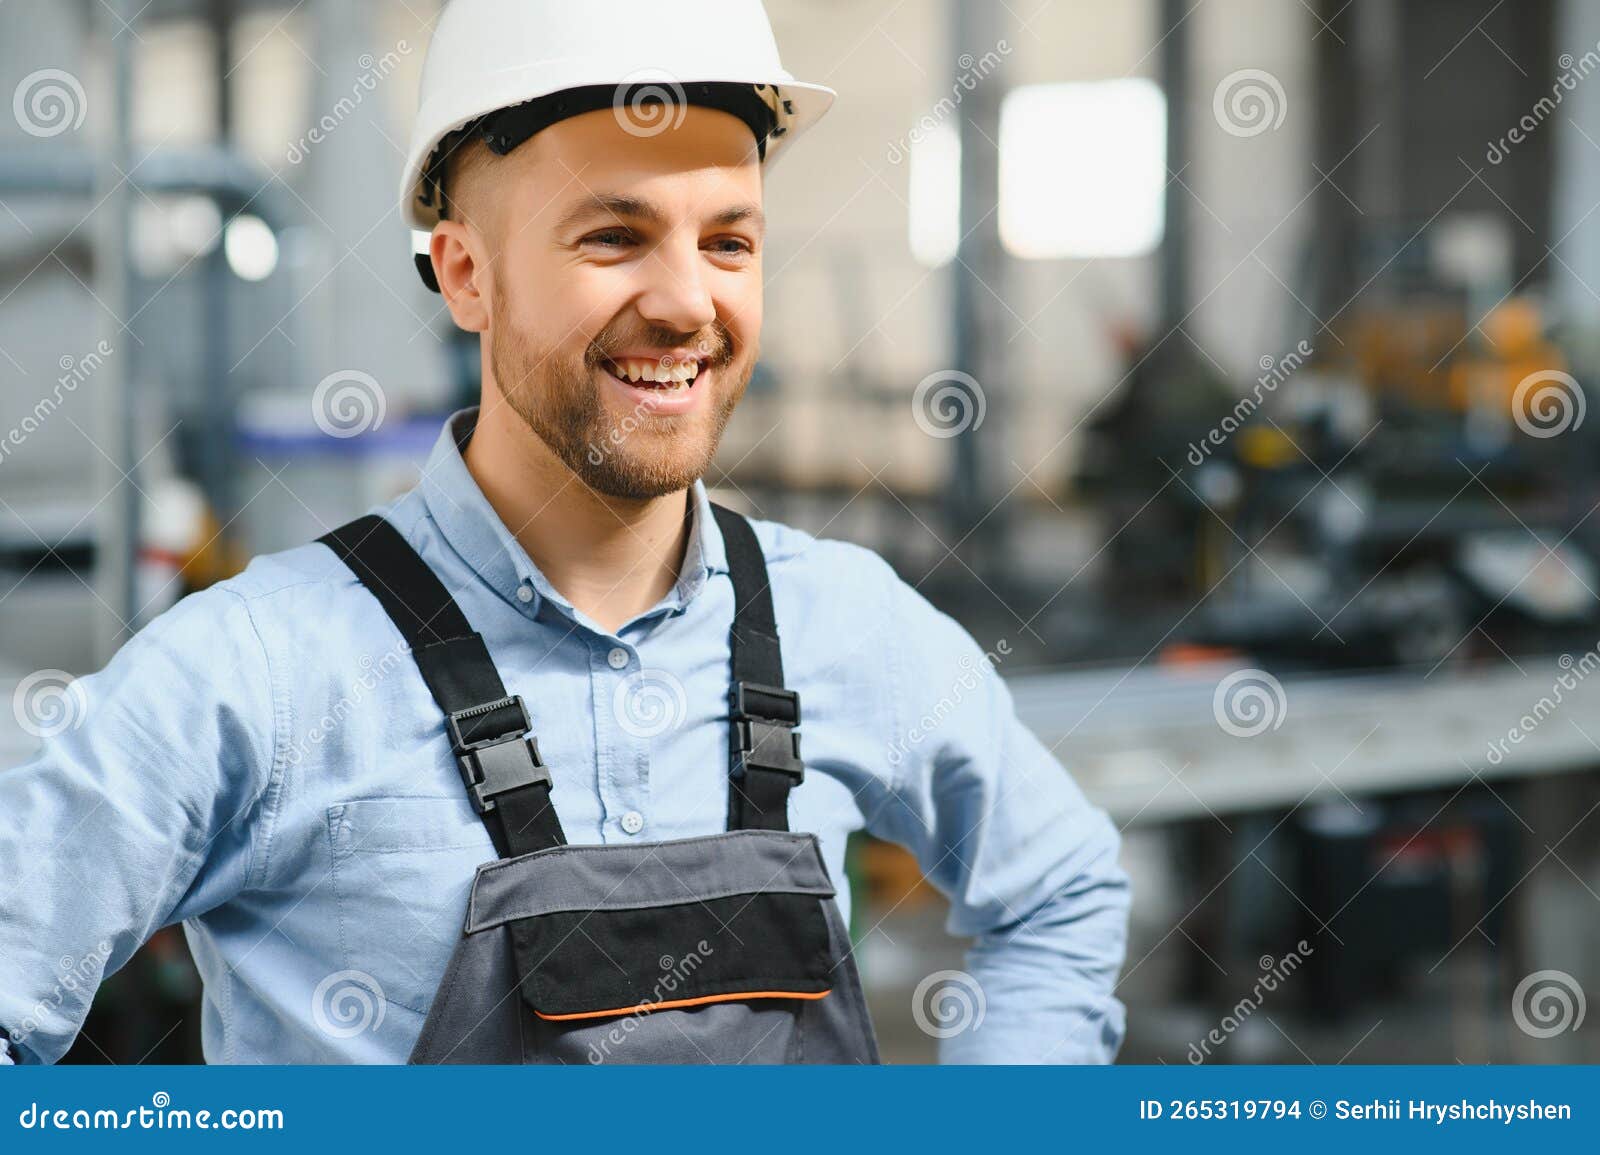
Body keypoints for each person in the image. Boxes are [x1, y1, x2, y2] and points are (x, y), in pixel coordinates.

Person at [0, 0, 1127, 1064]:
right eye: (612, 236)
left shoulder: (847, 622)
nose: (688, 301)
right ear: (465, 275)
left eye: (729, 243)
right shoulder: (254, 674)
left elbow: (1057, 891)